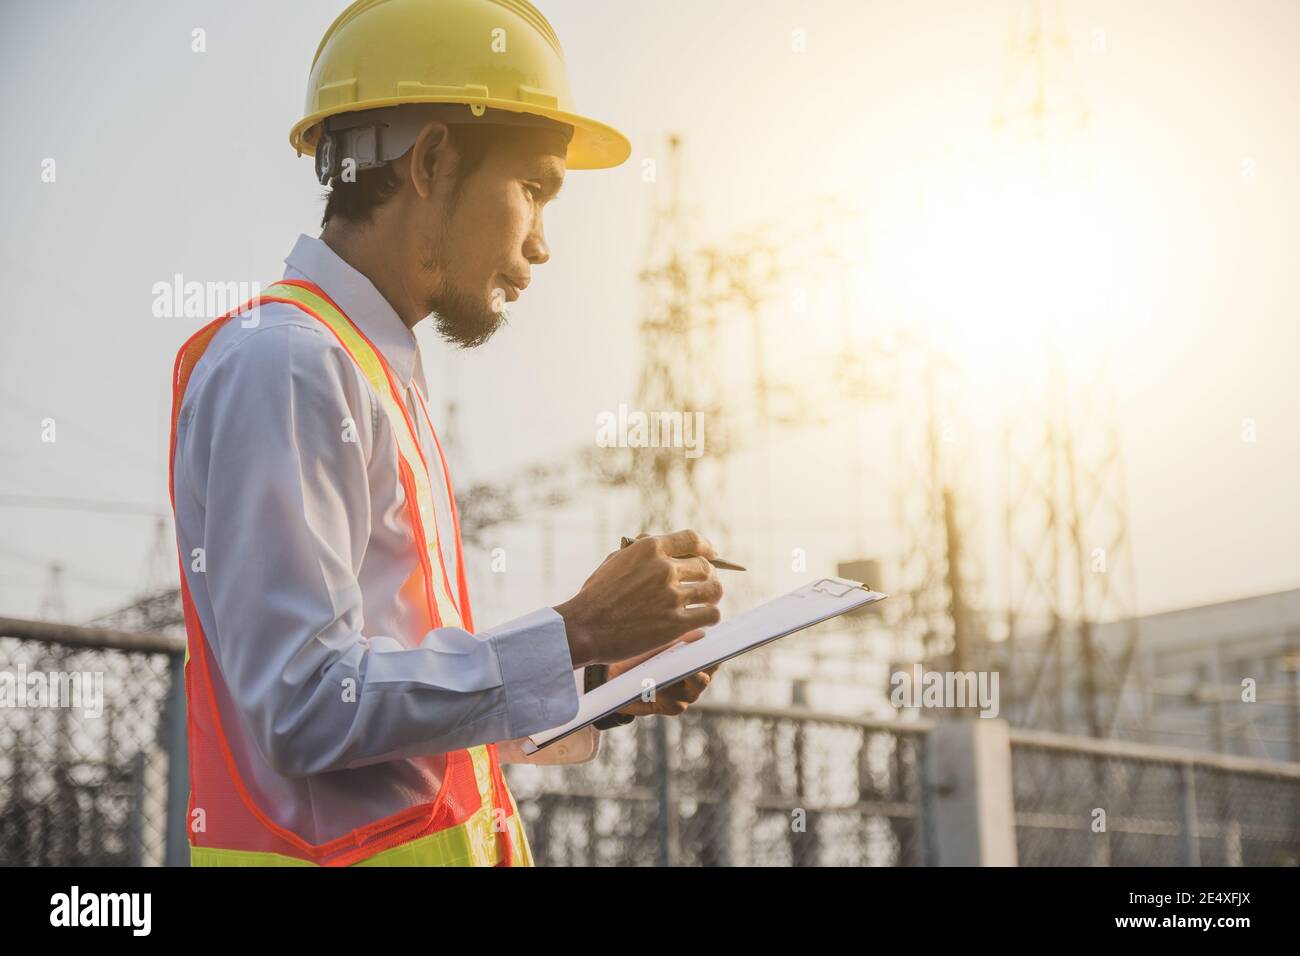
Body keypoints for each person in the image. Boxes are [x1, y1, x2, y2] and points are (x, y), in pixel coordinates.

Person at [167, 0, 723, 867]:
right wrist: (572, 628)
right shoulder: (288, 363)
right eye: (534, 190)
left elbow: (393, 745)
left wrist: (594, 674)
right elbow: (307, 708)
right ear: (431, 159)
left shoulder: (368, 371)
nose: (541, 245)